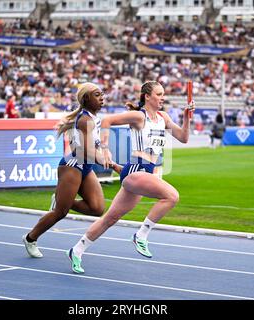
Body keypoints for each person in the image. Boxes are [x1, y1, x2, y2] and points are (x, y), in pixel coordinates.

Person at [66, 80, 195, 274]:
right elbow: (107, 120)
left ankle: (76, 250)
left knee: (110, 218)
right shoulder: (139, 116)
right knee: (171, 196)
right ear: (147, 96)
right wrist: (105, 148)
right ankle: (141, 235)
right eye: (159, 94)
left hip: (145, 173)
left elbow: (184, 138)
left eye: (163, 94)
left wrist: (187, 117)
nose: (162, 98)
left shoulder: (164, 117)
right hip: (136, 170)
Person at [22, 82, 121, 258]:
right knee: (61, 212)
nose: (102, 98)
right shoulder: (85, 120)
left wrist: (105, 150)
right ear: (86, 99)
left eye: (102, 94)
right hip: (72, 167)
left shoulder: (93, 118)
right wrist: (111, 164)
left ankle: (60, 199)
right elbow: (87, 151)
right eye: (97, 95)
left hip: (86, 167)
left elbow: (96, 145)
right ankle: (30, 238)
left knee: (97, 208)